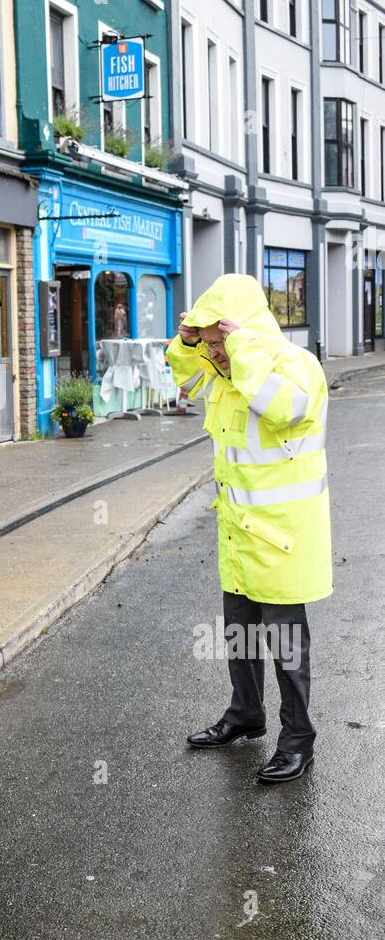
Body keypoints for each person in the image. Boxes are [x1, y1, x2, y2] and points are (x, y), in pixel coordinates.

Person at [167, 274, 331, 783]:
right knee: (238, 635)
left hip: (282, 538)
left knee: (286, 646)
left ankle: (298, 739)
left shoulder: (293, 365)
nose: (215, 352)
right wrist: (189, 344)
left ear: (247, 332)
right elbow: (185, 382)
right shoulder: (226, 369)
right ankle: (245, 715)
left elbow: (282, 409)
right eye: (211, 342)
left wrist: (238, 349)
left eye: (220, 340)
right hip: (239, 533)